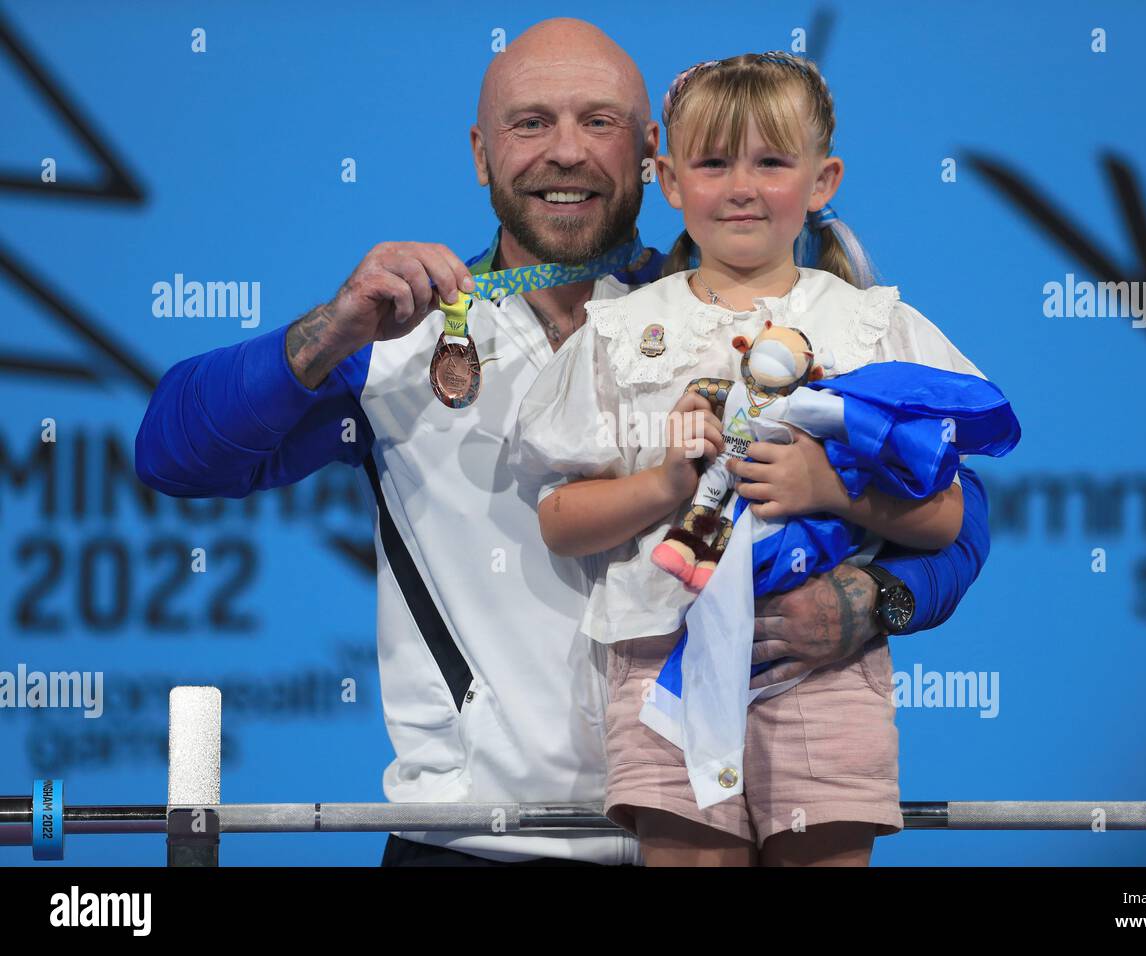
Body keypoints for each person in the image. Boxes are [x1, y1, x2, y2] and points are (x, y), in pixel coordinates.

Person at [133, 19, 993, 867]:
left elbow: (960, 513)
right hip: (471, 846)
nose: (567, 152)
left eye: (600, 122)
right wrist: (329, 330)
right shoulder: (396, 338)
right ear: (480, 153)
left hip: (714, 826)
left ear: (651, 154)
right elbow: (172, 453)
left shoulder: (752, 315)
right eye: (531, 122)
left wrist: (876, 601)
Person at [512, 51, 1003, 866]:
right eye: (712, 162)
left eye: (772, 162)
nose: (741, 186)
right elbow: (561, 523)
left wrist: (828, 488)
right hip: (661, 660)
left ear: (823, 179)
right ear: (667, 179)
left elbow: (948, 516)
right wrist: (666, 483)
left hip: (823, 668)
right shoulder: (620, 331)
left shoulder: (875, 330)